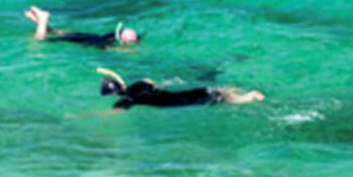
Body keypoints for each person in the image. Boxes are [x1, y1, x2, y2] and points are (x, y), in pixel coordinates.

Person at [96, 68, 264, 111]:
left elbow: (114, 113)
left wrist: (86, 115)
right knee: (214, 91)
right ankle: (244, 92)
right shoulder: (138, 84)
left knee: (220, 98)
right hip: (181, 93)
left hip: (179, 102)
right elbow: (149, 80)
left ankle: (249, 97)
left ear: (112, 94)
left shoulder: (127, 100)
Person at [24, 5, 140, 48]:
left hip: (87, 36)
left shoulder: (106, 38)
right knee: (40, 40)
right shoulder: (108, 45)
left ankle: (39, 21)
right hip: (83, 39)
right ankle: (43, 18)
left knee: (59, 33)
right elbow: (120, 50)